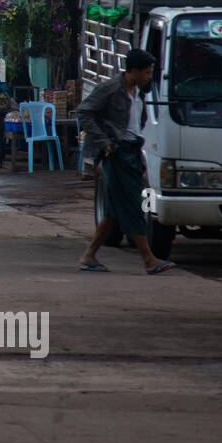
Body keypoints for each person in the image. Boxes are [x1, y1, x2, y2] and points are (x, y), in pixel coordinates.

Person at [77, 48, 176, 275]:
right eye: (147, 72)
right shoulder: (110, 89)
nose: (150, 77)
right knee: (133, 205)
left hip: (132, 151)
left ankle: (89, 255)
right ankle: (149, 259)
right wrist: (104, 141)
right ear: (134, 71)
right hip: (117, 154)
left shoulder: (139, 92)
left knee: (113, 211)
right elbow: (84, 112)